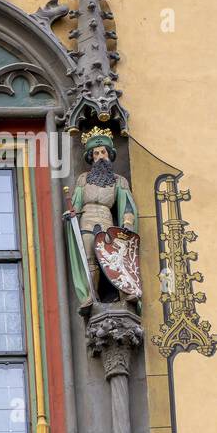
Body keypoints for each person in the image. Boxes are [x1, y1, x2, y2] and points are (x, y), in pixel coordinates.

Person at [64, 126, 138, 310]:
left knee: (113, 258)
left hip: (106, 221)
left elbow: (127, 204)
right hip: (86, 220)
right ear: (91, 157)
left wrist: (127, 222)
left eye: (102, 152)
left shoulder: (119, 181)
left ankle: (125, 293)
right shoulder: (83, 179)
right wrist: (71, 213)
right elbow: (77, 203)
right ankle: (91, 295)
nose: (99, 156)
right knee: (90, 260)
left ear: (109, 154)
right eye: (95, 153)